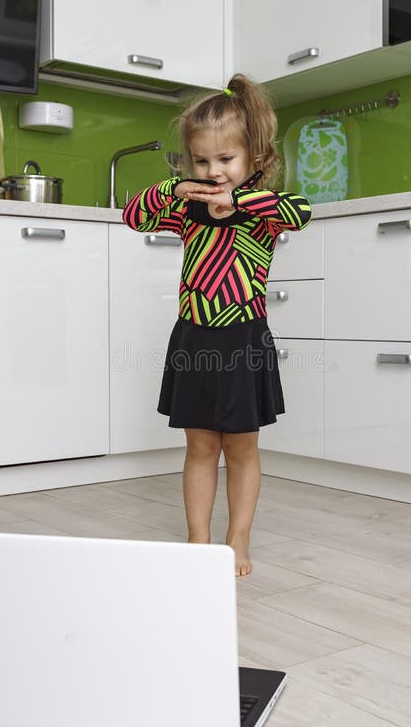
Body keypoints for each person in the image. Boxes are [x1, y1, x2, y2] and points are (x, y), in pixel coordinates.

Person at [122, 74, 311, 576]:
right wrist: (174, 188)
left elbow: (301, 211)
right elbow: (133, 217)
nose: (213, 171)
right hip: (194, 337)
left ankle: (237, 539)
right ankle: (198, 539)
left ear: (254, 157)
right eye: (201, 161)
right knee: (200, 447)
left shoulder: (263, 214)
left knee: (242, 448)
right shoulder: (188, 212)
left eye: (225, 159)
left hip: (244, 338)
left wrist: (239, 201)